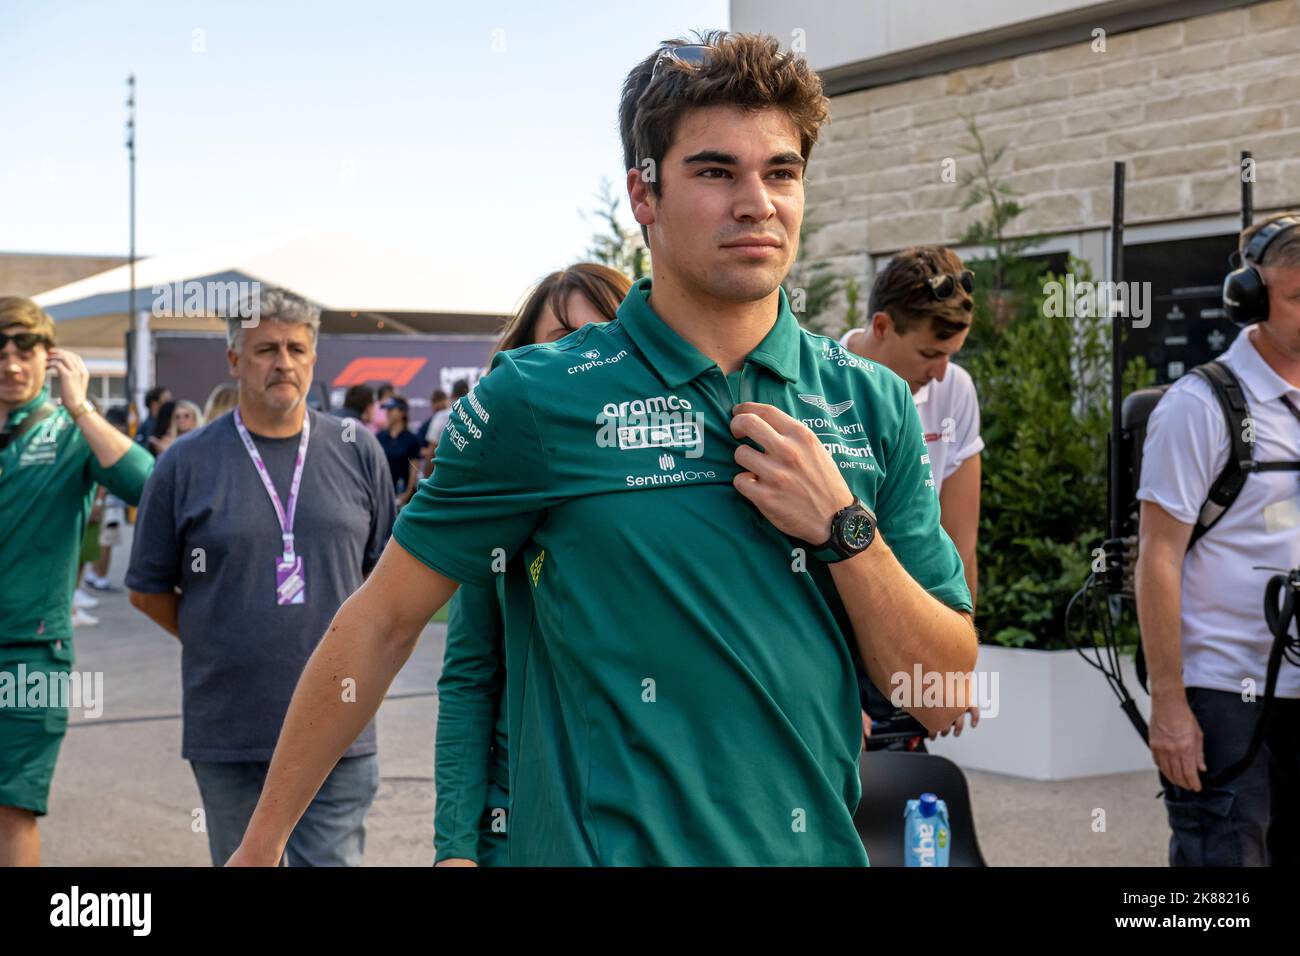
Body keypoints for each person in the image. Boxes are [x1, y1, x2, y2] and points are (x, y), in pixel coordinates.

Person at [229, 32, 975, 868]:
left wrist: (844, 528)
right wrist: (262, 846)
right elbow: (382, 621)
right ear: (643, 194)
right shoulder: (537, 397)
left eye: (781, 172)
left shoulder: (870, 403)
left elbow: (943, 696)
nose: (756, 203)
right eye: (716, 171)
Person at [125, 288, 396, 867]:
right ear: (234, 360)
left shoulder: (357, 451)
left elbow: (384, 580)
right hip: (231, 727)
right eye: (266, 349)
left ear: (313, 357)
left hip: (338, 725)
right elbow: (147, 589)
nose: (283, 362)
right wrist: (218, 638)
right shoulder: (185, 463)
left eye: (296, 348)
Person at [435, 262, 633, 866]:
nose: (588, 359)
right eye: (564, 342)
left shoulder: (684, 481)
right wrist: (455, 847)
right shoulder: (501, 487)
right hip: (525, 829)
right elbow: (470, 675)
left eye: (607, 337)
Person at [1136, 211, 1300, 867]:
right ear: (1250, 300)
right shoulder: (1199, 406)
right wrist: (1169, 705)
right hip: (1225, 691)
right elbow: (1158, 556)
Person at [0, 297, 154, 866]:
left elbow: (149, 486)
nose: (11, 363)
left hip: (32, 652)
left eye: (26, 349)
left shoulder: (69, 432)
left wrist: (82, 407)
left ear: (50, 356)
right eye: (0, 349)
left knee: (12, 809)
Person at [842, 246, 984, 747]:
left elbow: (960, 543)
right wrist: (830, 688)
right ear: (882, 326)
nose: (942, 371)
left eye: (952, 354)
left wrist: (953, 664)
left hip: (913, 619)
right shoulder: (819, 387)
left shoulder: (955, 390)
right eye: (929, 354)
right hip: (835, 634)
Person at [83, 405, 132, 595]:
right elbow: (104, 475)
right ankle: (99, 576)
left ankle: (95, 575)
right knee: (107, 541)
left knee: (104, 540)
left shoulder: (101, 440)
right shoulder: (108, 443)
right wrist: (98, 502)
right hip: (108, 502)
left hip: (108, 501)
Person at [376, 396, 422, 506]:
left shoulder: (412, 439)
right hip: (383, 494)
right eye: (387, 410)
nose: (387, 413)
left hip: (404, 496)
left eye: (391, 409)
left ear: (402, 412)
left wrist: (407, 494)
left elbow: (414, 469)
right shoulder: (380, 437)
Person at [135, 385, 170, 450]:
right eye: (166, 400)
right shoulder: (150, 426)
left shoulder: (165, 423)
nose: (170, 404)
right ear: (154, 404)